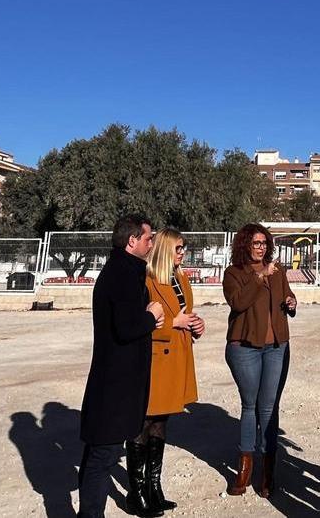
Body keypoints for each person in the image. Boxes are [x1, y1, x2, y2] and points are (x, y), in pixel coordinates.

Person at [77, 215, 164, 518]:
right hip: (116, 383)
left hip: (118, 380)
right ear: (132, 241)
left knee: (100, 453)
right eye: (148, 238)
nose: (151, 245)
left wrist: (147, 317)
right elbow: (126, 328)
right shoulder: (122, 274)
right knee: (103, 455)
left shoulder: (126, 271)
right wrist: (151, 316)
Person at [222, 223, 297, 498]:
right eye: (256, 243)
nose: (261, 248)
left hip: (276, 347)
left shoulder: (278, 272)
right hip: (245, 348)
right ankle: (244, 468)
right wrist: (259, 277)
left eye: (264, 243)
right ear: (245, 244)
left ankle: (268, 471)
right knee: (249, 405)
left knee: (269, 407)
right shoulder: (233, 273)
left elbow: (287, 296)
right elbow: (238, 302)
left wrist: (291, 302)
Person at [134, 228, 205, 515]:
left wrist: (196, 325)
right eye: (178, 248)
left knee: (161, 422)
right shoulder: (147, 280)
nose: (182, 252)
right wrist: (173, 324)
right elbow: (138, 324)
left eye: (183, 247)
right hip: (154, 360)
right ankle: (137, 491)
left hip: (176, 357)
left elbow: (184, 314)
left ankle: (154, 487)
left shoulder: (181, 278)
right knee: (143, 423)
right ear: (165, 250)